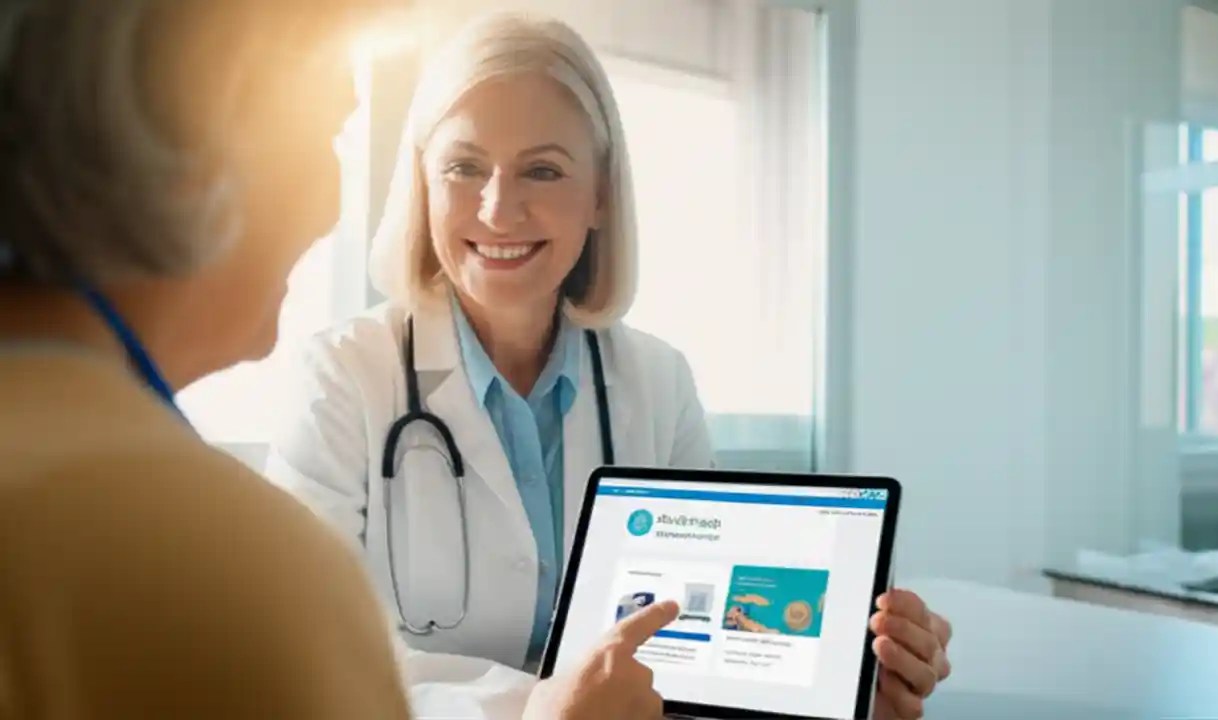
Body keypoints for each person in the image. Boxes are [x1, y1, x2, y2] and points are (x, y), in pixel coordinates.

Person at [265, 11, 953, 719]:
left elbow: (701, 652)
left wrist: (849, 679)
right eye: (464, 167)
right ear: (423, 186)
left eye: (543, 169)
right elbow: (294, 659)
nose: (499, 208)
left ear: (599, 196)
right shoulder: (342, 379)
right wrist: (539, 711)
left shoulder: (658, 383)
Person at [0, 2, 676, 719]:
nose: (329, 206)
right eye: (320, 133)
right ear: (189, 140)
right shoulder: (173, 538)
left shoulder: (69, 466)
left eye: (542, 170)